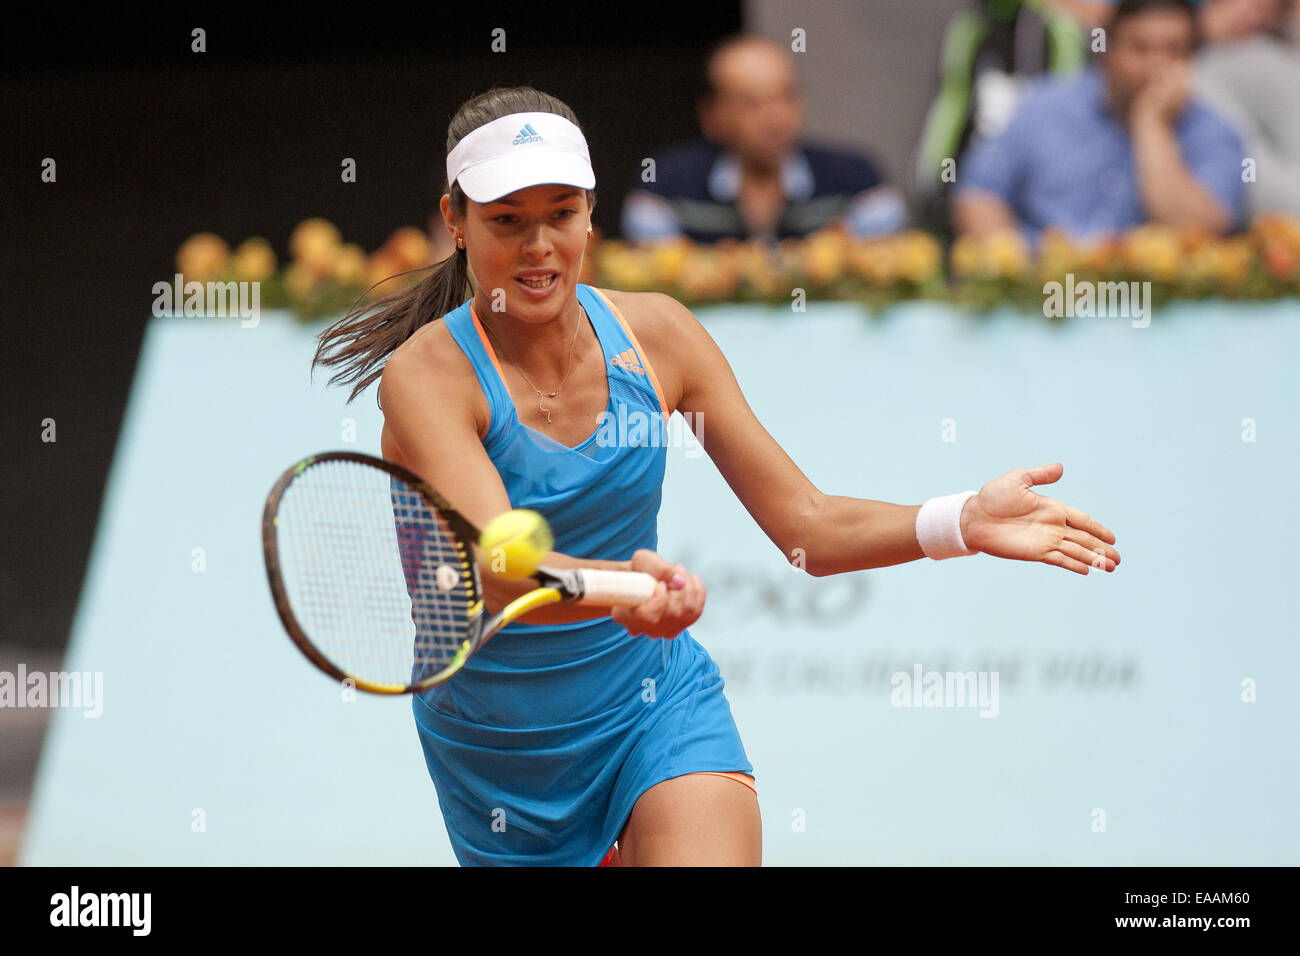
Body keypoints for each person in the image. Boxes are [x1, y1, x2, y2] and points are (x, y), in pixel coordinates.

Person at [312, 86, 1121, 867]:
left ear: (593, 210)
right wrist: (635, 589)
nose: (539, 248)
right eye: (506, 221)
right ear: (454, 221)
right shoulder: (427, 376)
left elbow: (805, 524)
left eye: (562, 215)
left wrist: (959, 521)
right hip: (502, 753)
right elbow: (501, 573)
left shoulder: (658, 336)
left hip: (654, 708)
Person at [953, 0, 1246, 242]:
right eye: (1140, 48)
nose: (1157, 65)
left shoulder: (1215, 131)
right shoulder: (1043, 106)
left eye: (1174, 50)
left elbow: (1198, 231)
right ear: (1106, 52)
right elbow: (978, 192)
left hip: (1153, 300)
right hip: (1045, 294)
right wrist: (1016, 272)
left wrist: (1151, 125)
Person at [620, 34, 907, 244]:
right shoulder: (665, 185)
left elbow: (886, 273)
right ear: (712, 117)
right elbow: (656, 285)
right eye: (752, 103)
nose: (776, 118)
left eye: (786, 97)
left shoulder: (858, 179)